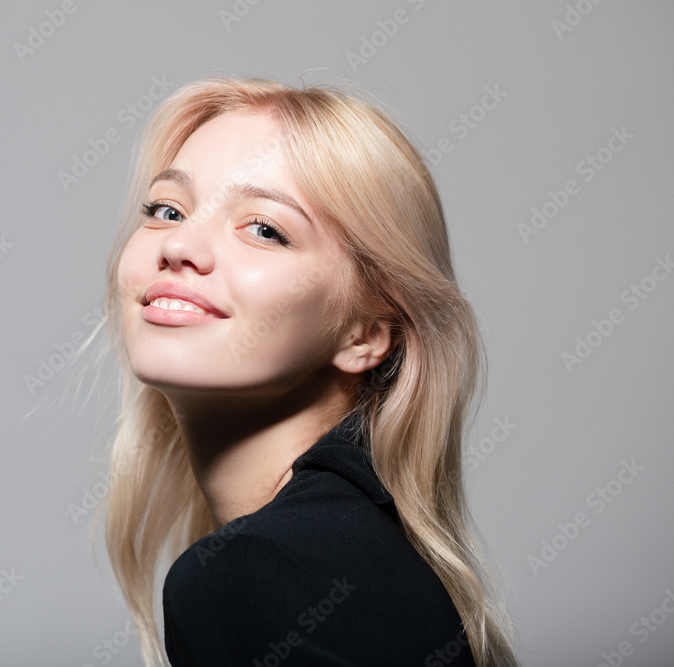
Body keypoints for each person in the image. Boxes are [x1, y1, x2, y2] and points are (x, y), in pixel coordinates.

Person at [90, 77, 520, 666]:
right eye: (168, 210)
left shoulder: (259, 572)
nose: (181, 243)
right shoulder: (348, 551)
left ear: (365, 334)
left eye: (264, 229)